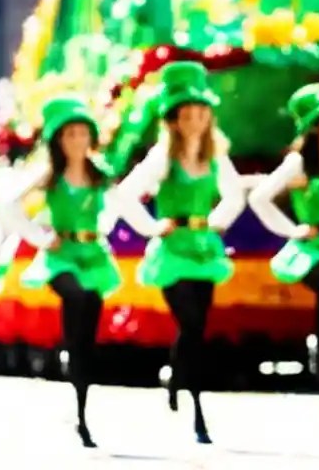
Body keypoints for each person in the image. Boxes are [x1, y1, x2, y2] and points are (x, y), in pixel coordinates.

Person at [115, 61, 246, 444]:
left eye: (201, 113)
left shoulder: (215, 157)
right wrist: (152, 227)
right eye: (187, 114)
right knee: (189, 323)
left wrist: (217, 221)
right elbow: (126, 194)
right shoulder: (163, 158)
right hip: (172, 253)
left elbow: (235, 195)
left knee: (196, 328)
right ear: (173, 120)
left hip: (204, 251)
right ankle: (197, 408)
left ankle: (176, 373)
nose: (195, 121)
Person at [0, 96, 122, 448]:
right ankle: (70, 356)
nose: (78, 141)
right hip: (60, 257)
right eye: (70, 134)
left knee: (87, 332)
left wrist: (103, 229)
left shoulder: (100, 174)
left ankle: (80, 402)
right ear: (59, 140)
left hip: (93, 256)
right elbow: (8, 205)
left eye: (82, 133)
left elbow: (118, 205)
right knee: (75, 295)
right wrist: (39, 236)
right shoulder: (49, 175)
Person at [248, 83, 319, 436]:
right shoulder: (299, 164)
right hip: (311, 248)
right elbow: (260, 197)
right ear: (314, 131)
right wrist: (292, 230)